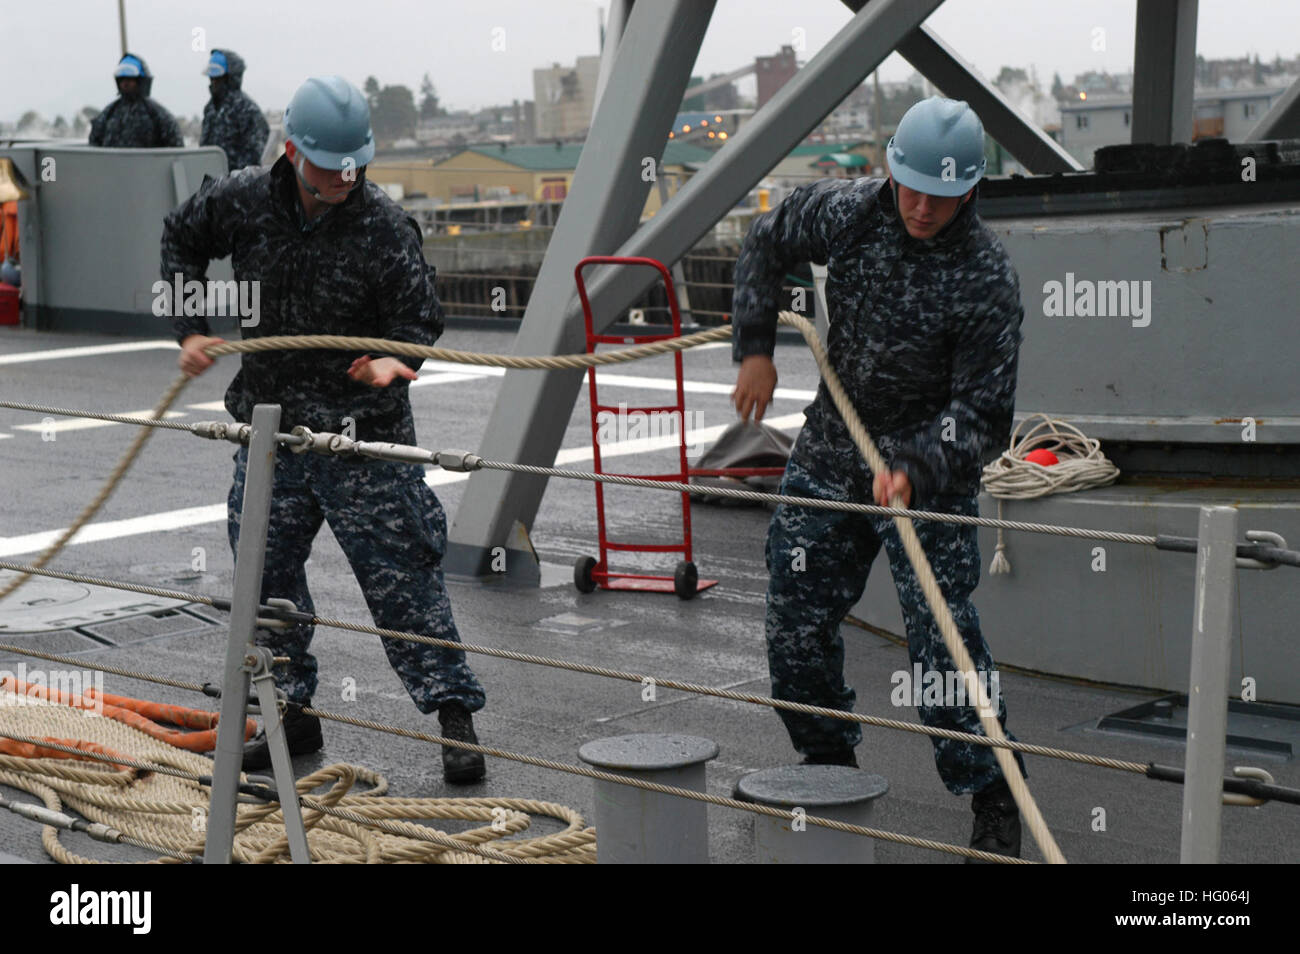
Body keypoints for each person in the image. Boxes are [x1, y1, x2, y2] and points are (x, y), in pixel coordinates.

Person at [161, 75, 487, 784]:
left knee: (404, 582)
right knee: (266, 581)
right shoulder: (243, 199)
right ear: (291, 153)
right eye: (330, 167)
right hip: (270, 430)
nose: (344, 178)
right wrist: (189, 327)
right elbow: (182, 237)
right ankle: (290, 714)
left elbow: (419, 319)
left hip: (360, 439)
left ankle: (455, 715)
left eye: (354, 165)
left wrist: (393, 362)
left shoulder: (383, 225)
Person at [731, 97, 1027, 859]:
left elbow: (984, 412)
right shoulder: (851, 212)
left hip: (925, 474)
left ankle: (993, 795)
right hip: (833, 449)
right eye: (911, 187)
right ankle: (827, 767)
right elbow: (765, 240)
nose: (922, 207)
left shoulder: (986, 278)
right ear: (891, 173)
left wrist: (916, 466)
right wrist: (755, 347)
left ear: (972, 190)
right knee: (793, 618)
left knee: (943, 644)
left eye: (942, 193)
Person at [88, 53, 184, 148]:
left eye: (130, 79)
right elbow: (94, 143)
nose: (125, 83)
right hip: (112, 163)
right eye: (122, 79)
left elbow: (176, 144)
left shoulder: (156, 114)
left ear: (140, 81)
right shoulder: (109, 112)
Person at [199, 49, 270, 171]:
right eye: (211, 78)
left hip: (236, 185)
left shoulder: (248, 110)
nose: (213, 82)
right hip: (210, 183)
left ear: (229, 78)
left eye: (217, 78)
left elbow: (253, 158)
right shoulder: (210, 109)